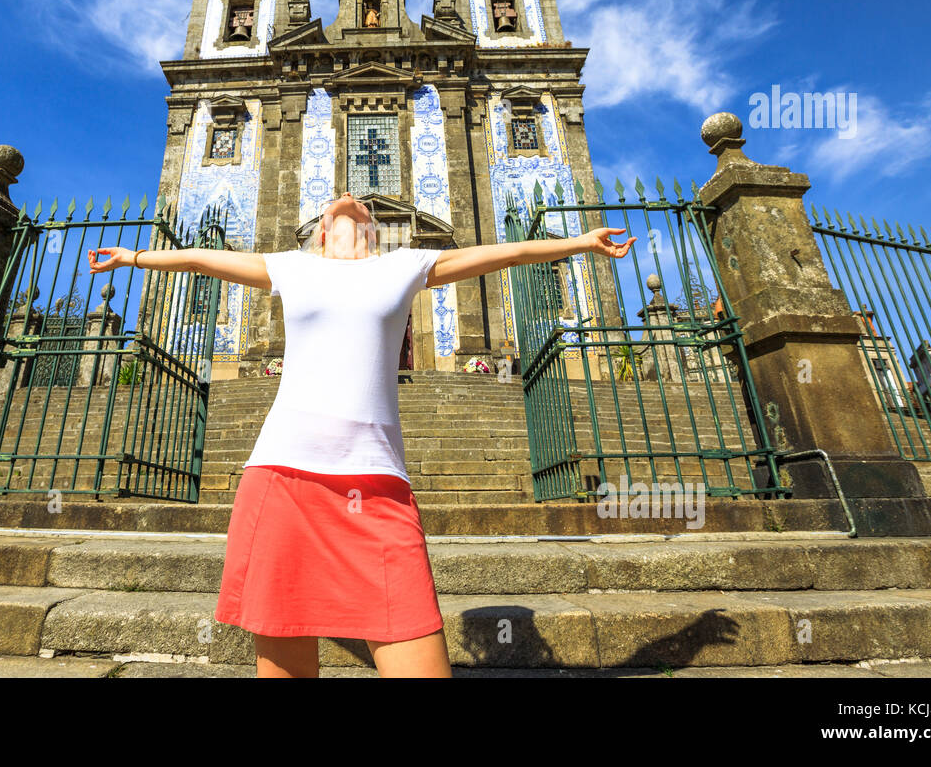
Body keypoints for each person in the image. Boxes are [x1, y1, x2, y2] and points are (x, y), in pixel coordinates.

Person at [88, 193, 635, 677]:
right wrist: (134, 258)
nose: (349, 199)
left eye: (362, 207)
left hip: (375, 486)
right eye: (337, 202)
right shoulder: (292, 266)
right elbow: (203, 259)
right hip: (281, 477)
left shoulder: (405, 264)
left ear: (374, 229)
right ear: (321, 229)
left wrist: (581, 242)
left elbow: (505, 253)